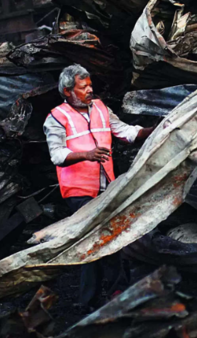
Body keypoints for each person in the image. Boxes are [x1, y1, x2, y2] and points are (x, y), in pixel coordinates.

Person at [43, 64, 154, 311]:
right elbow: (57, 155)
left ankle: (115, 293)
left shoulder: (101, 108)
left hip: (106, 188)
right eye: (83, 87)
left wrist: (154, 130)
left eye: (90, 85)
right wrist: (87, 154)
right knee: (92, 244)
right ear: (67, 90)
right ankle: (90, 302)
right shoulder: (56, 118)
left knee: (111, 239)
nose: (89, 90)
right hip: (79, 191)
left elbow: (124, 131)